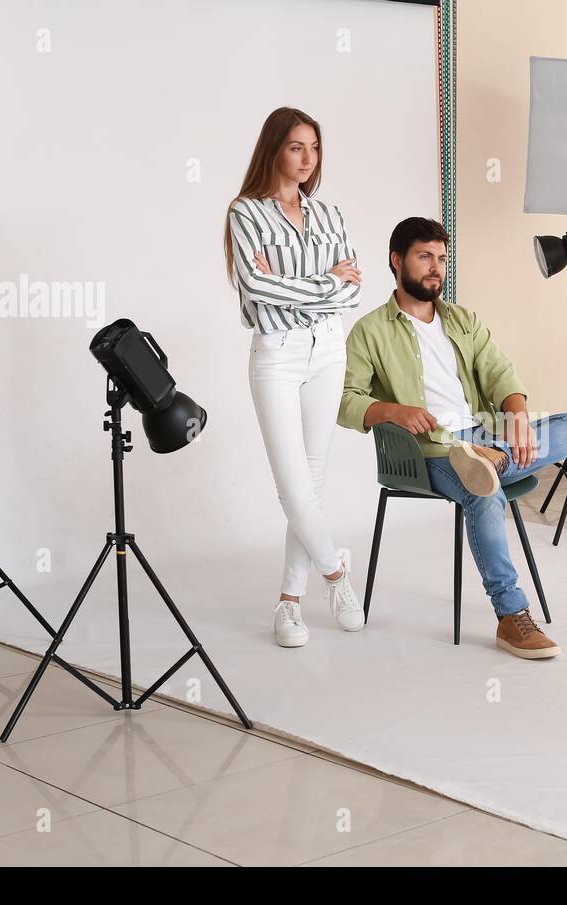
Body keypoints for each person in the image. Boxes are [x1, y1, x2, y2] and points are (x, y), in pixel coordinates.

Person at [337, 217, 567, 660]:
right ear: (397, 261)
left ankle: (492, 460)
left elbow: (500, 373)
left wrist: (514, 418)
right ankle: (512, 617)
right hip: (431, 452)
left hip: (487, 437)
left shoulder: (463, 319)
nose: (436, 268)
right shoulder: (370, 330)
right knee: (484, 494)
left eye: (441, 258)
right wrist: (393, 410)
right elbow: (344, 401)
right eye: (425, 257)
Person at [226, 106, 365, 649]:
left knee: (313, 483)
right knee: (294, 489)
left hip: (329, 350)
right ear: (273, 150)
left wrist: (319, 284)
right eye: (295, 147)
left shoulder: (329, 214)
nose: (306, 159)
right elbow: (258, 288)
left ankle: (289, 603)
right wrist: (327, 281)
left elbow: (353, 289)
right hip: (277, 355)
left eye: (313, 148)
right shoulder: (246, 212)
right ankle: (337, 575)